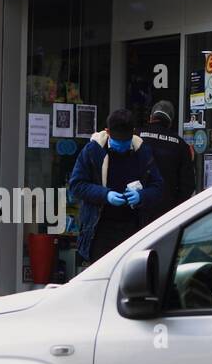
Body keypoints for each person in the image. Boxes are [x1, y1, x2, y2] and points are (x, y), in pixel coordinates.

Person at [69, 108, 164, 264]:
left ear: (133, 133)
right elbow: (76, 185)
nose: (121, 147)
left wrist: (141, 196)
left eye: (125, 143)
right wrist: (105, 195)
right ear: (107, 132)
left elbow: (158, 187)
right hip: (99, 230)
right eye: (117, 142)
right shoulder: (93, 151)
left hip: (133, 230)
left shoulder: (142, 152)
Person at [137, 100, 195, 222]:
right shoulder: (180, 145)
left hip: (137, 209)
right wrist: (175, 209)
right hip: (166, 214)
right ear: (170, 122)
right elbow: (188, 185)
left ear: (151, 118)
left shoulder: (136, 136)